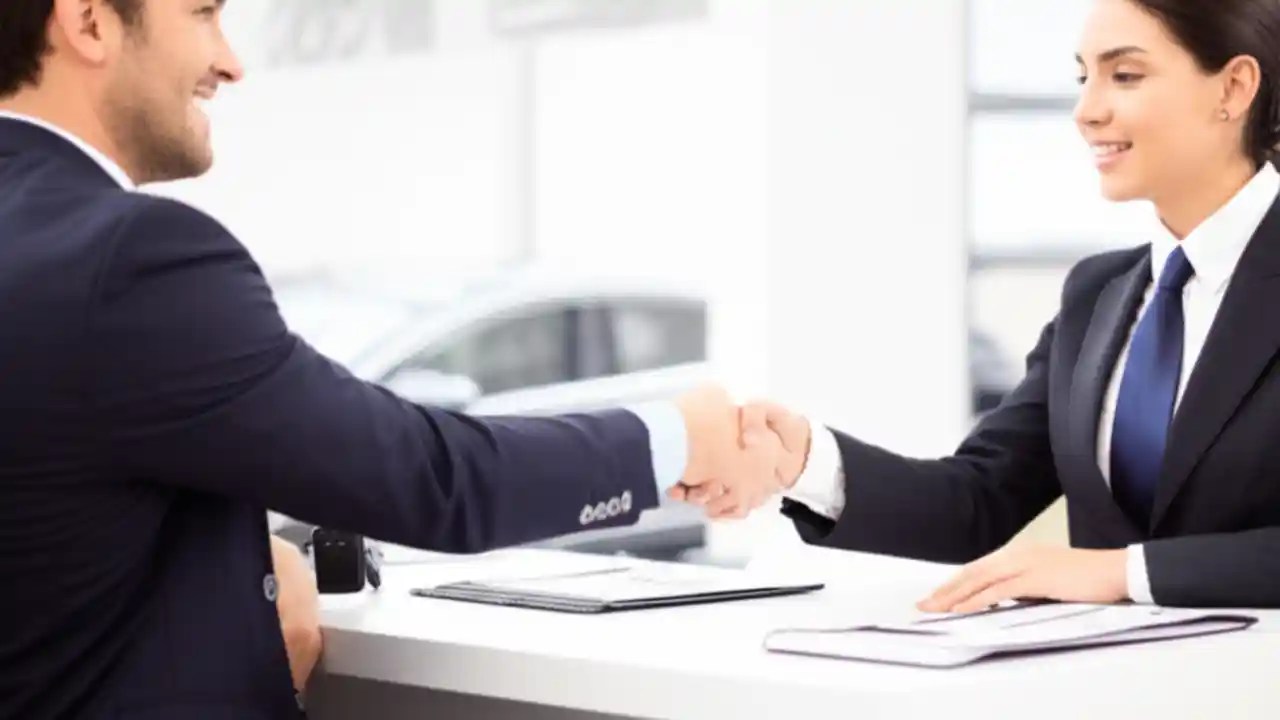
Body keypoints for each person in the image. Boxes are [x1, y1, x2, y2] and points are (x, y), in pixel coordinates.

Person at [0, 2, 785, 718]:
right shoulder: (134, 257)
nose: (231, 61)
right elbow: (428, 479)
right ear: (90, 21)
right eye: (203, 14)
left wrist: (238, 568)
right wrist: (675, 438)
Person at [684, 0, 1280, 611]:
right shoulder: (1098, 295)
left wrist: (1120, 574)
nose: (1087, 111)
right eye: (1083, 78)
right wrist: (803, 461)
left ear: (1233, 87)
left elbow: (1124, 566)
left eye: (1124, 76)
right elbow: (979, 501)